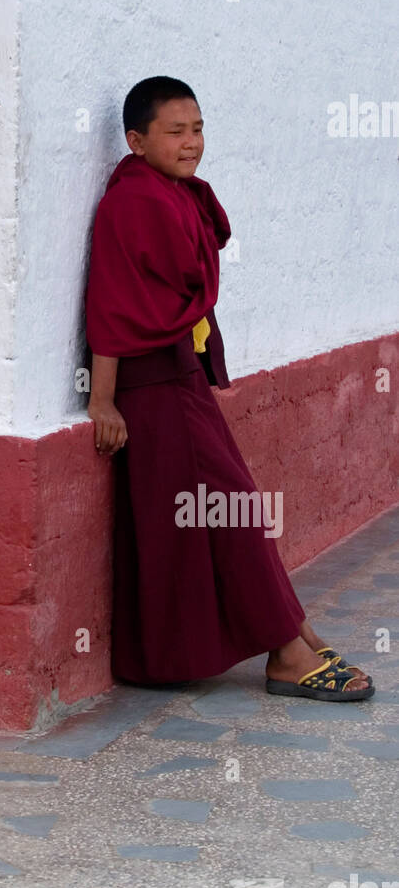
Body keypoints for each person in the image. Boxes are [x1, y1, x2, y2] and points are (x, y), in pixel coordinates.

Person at [84, 77, 373, 701]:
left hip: (181, 381)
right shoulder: (132, 203)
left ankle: (293, 631)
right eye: (175, 132)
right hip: (153, 389)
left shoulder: (172, 192)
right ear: (136, 141)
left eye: (198, 129)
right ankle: (287, 652)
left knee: (220, 513)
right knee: (231, 508)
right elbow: (110, 301)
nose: (192, 144)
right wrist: (102, 399)